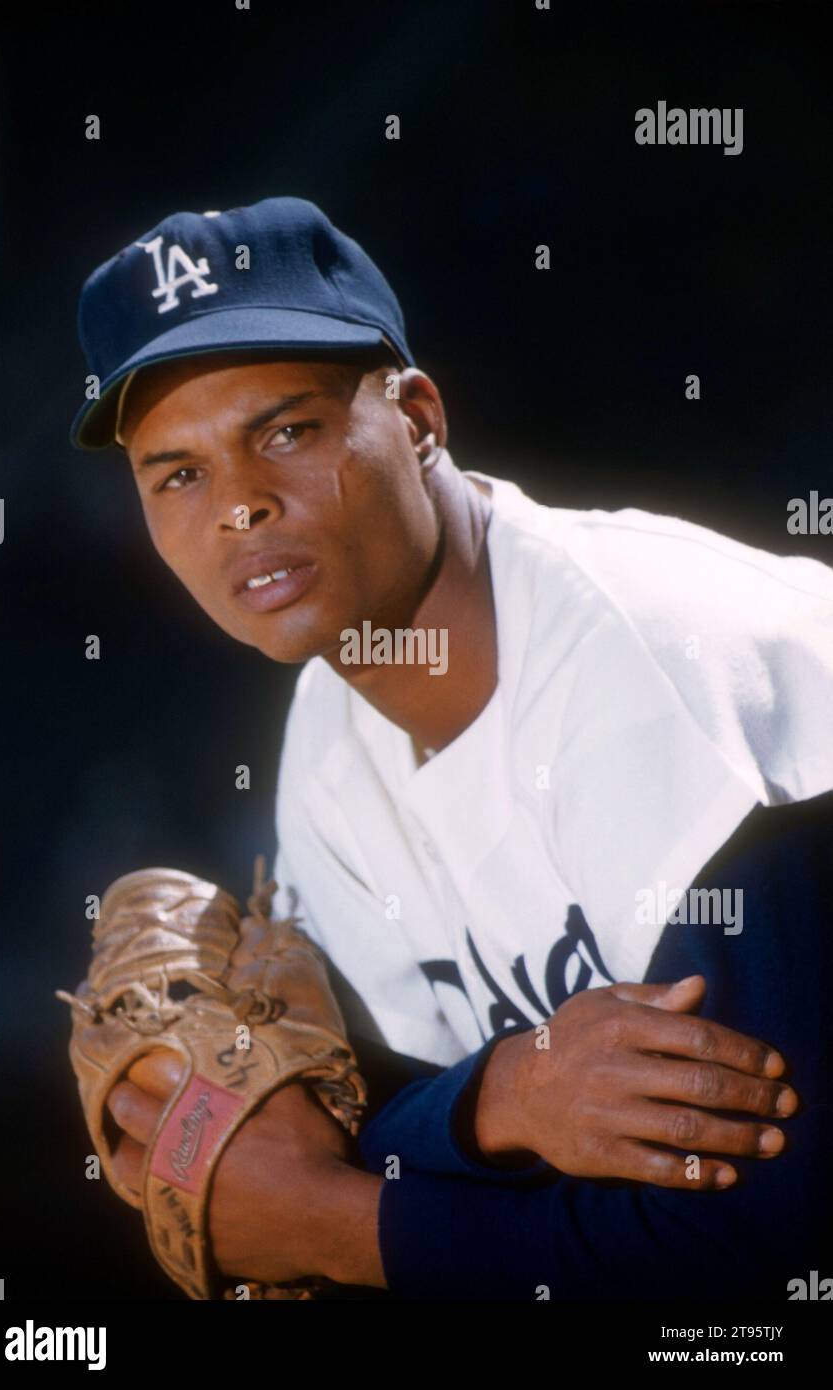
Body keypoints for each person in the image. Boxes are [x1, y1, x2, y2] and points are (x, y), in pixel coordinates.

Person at [70, 196, 833, 1299]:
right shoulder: (331, 735)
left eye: (285, 431)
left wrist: (327, 1223)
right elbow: (390, 1128)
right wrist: (499, 1099)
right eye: (178, 474)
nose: (239, 510)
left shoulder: (654, 672)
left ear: (417, 419)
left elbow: (752, 1248)